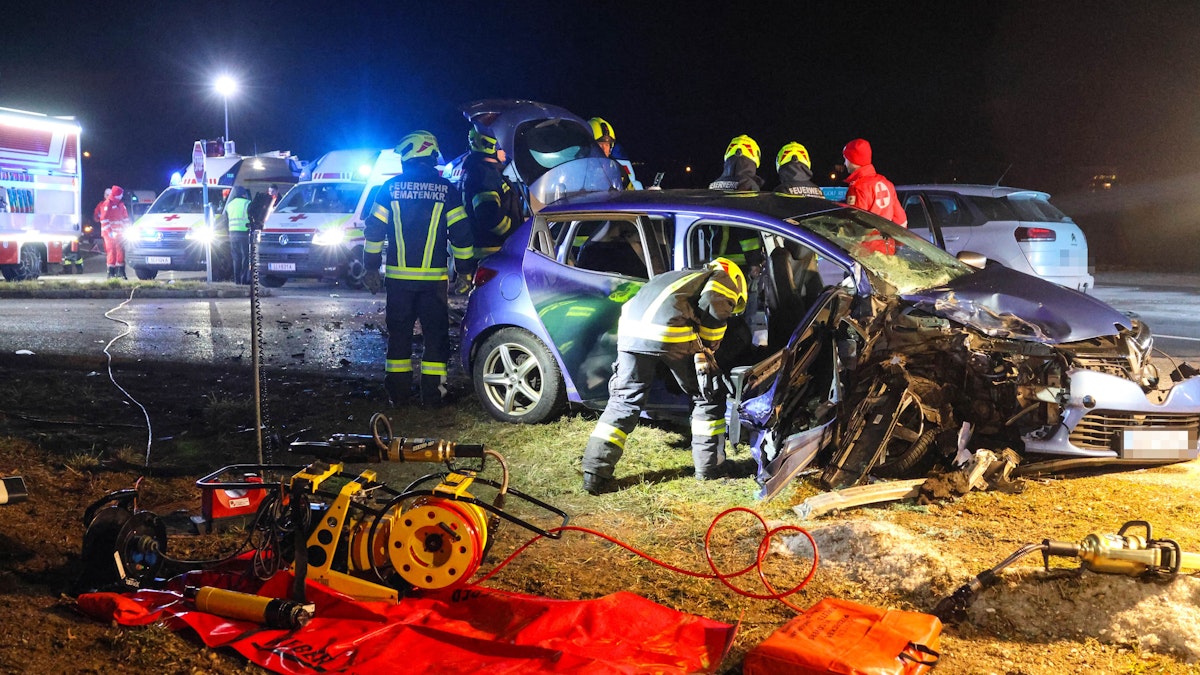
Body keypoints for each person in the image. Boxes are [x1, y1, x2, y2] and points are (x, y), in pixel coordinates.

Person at [581, 257, 749, 495]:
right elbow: (714, 305)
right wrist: (709, 348)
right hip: (669, 331)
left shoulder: (676, 276)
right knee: (706, 396)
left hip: (630, 332)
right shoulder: (723, 278)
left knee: (623, 400)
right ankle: (710, 467)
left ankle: (594, 472)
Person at [362, 130, 473, 407]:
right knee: (435, 338)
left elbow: (374, 231)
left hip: (398, 282)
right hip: (433, 283)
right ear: (430, 154)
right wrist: (465, 271)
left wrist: (371, 268)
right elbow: (461, 234)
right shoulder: (446, 190)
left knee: (399, 338)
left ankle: (398, 396)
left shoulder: (389, 188)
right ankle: (433, 396)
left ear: (410, 155)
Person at [460, 125, 524, 287]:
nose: (506, 151)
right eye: (502, 146)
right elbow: (489, 215)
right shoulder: (485, 174)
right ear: (491, 146)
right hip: (492, 252)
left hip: (490, 252)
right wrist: (514, 235)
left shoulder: (481, 171)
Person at [842, 138, 907, 227]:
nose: (845, 163)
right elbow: (901, 220)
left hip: (869, 236)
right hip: (886, 236)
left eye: (846, 159)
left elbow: (855, 225)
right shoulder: (886, 183)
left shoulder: (858, 187)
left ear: (853, 159)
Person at [98, 185, 131, 278]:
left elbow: (125, 218)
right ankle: (111, 273)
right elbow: (103, 219)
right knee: (111, 251)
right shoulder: (108, 203)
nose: (122, 196)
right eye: (121, 194)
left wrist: (127, 228)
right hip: (109, 234)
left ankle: (121, 271)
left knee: (121, 251)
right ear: (117, 195)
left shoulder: (121, 205)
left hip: (120, 233)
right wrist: (109, 232)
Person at [225, 186, 252, 285]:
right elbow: (252, 218)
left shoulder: (229, 205)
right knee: (245, 257)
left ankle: (237, 280)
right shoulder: (247, 203)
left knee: (236, 257)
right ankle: (243, 280)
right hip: (244, 233)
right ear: (244, 194)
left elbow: (225, 221)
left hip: (232, 233)